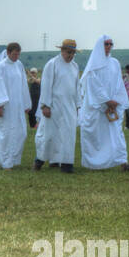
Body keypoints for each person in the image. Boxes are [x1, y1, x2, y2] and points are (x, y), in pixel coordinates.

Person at [79, 35, 129, 171]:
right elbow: (93, 85)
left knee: (116, 135)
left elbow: (118, 84)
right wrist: (106, 101)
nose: (108, 46)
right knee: (96, 136)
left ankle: (122, 162)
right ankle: (93, 163)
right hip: (97, 107)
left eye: (110, 44)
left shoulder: (114, 63)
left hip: (113, 107)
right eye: (106, 44)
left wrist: (116, 101)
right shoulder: (93, 65)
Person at [34, 38, 81, 172]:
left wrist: (78, 105)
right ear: (62, 50)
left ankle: (66, 164)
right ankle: (39, 161)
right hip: (54, 106)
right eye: (68, 52)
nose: (70, 55)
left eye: (73, 53)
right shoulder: (52, 64)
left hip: (69, 107)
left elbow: (77, 87)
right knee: (49, 135)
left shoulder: (75, 66)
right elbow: (46, 85)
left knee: (69, 135)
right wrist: (45, 105)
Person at [0, 42, 29, 169]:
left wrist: (26, 103)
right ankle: (5, 161)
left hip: (17, 106)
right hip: (6, 106)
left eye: (18, 54)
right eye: (14, 54)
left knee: (21, 133)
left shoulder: (19, 65)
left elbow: (23, 84)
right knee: (6, 134)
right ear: (8, 53)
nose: (16, 57)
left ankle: (14, 159)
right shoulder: (1, 67)